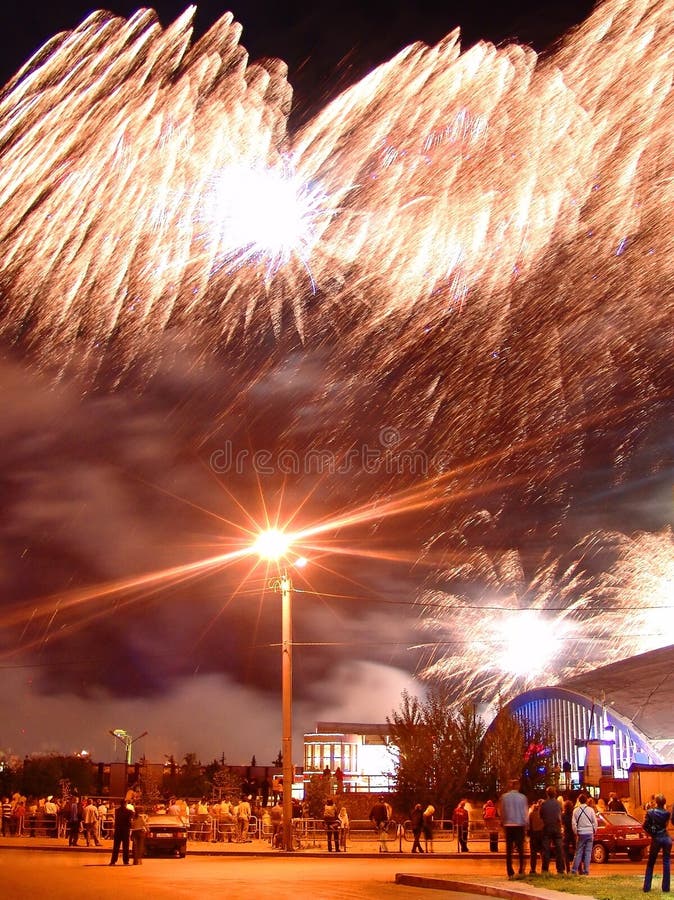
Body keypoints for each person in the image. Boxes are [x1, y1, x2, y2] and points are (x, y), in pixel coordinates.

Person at [499, 778, 528, 878]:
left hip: (508, 825)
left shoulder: (504, 797)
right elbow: (525, 812)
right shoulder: (522, 798)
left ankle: (510, 871)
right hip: (519, 825)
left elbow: (502, 811)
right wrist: (526, 824)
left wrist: (502, 822)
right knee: (520, 849)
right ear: (518, 786)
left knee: (509, 850)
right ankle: (521, 869)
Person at [643, 793, 671, 893]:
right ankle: (666, 888)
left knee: (651, 863)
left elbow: (645, 826)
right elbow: (666, 824)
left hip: (657, 838)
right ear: (664, 802)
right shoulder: (667, 813)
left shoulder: (650, 812)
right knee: (666, 862)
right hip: (666, 838)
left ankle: (647, 887)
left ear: (656, 802)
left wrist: (652, 833)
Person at [540, 786, 565, 874]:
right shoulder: (558, 804)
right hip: (556, 828)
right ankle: (560, 869)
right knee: (559, 849)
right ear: (555, 794)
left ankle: (545, 869)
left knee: (546, 849)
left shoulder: (544, 804)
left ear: (547, 794)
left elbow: (541, 816)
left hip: (547, 828)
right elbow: (560, 815)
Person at [571, 793, 597, 876]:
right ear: (586, 800)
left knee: (578, 852)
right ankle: (586, 871)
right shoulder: (591, 810)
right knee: (588, 853)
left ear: (579, 800)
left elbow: (574, 824)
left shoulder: (575, 810)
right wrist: (594, 831)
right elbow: (594, 822)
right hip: (589, 833)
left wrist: (576, 832)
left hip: (581, 833)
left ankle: (574, 870)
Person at [109, 798, 133, 866]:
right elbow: (130, 821)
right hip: (125, 830)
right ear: (125, 804)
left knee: (116, 846)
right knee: (126, 847)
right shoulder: (129, 811)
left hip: (118, 830)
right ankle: (126, 861)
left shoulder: (117, 811)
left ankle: (113, 861)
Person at [528, 799, 544, 875]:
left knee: (533, 853)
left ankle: (533, 869)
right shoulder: (544, 814)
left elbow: (529, 826)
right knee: (543, 852)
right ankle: (544, 869)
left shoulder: (532, 814)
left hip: (534, 834)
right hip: (542, 834)